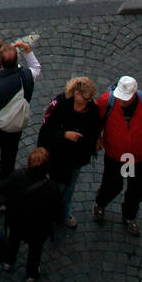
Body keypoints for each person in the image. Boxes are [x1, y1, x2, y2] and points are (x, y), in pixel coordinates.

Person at [94, 75, 142, 236]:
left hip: (138, 158)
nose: (121, 101)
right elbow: (94, 122)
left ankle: (129, 216)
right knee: (112, 186)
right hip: (115, 156)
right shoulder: (106, 101)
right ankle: (100, 204)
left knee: (137, 190)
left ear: (134, 94)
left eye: (125, 99)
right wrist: (97, 138)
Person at [0, 40, 42, 204]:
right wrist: (28, 51)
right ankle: (2, 199)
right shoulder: (27, 76)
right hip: (15, 128)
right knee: (8, 163)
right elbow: (36, 68)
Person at [37, 76, 100, 228]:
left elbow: (94, 131)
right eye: (86, 98)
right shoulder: (59, 105)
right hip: (58, 156)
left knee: (70, 187)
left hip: (77, 156)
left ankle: (65, 213)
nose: (89, 101)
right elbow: (46, 129)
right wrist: (64, 134)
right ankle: (52, 212)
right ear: (77, 94)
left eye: (90, 98)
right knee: (58, 186)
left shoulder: (92, 109)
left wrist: (94, 143)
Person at [0, 147, 62, 282]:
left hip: (16, 220)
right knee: (35, 249)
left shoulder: (17, 176)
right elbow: (57, 210)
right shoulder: (52, 187)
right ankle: (31, 274)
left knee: (13, 239)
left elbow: (2, 188)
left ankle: (9, 261)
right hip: (38, 227)